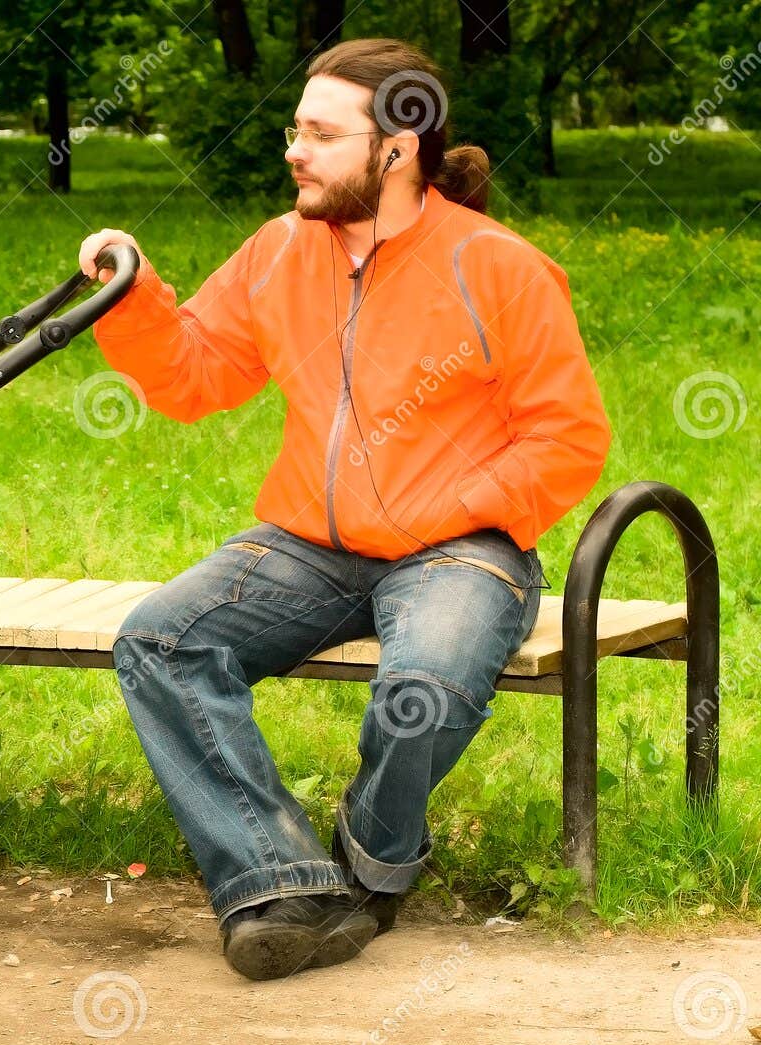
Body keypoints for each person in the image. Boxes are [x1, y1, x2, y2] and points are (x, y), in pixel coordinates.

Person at [79, 37, 611, 982]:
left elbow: (568, 438)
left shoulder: (499, 266)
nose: (295, 150)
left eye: (322, 135)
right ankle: (279, 878)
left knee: (425, 691)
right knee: (160, 639)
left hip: (461, 550)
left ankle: (371, 867)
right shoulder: (281, 250)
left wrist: (449, 505)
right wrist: (134, 290)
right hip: (311, 546)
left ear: (396, 149)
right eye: (297, 129)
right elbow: (196, 377)